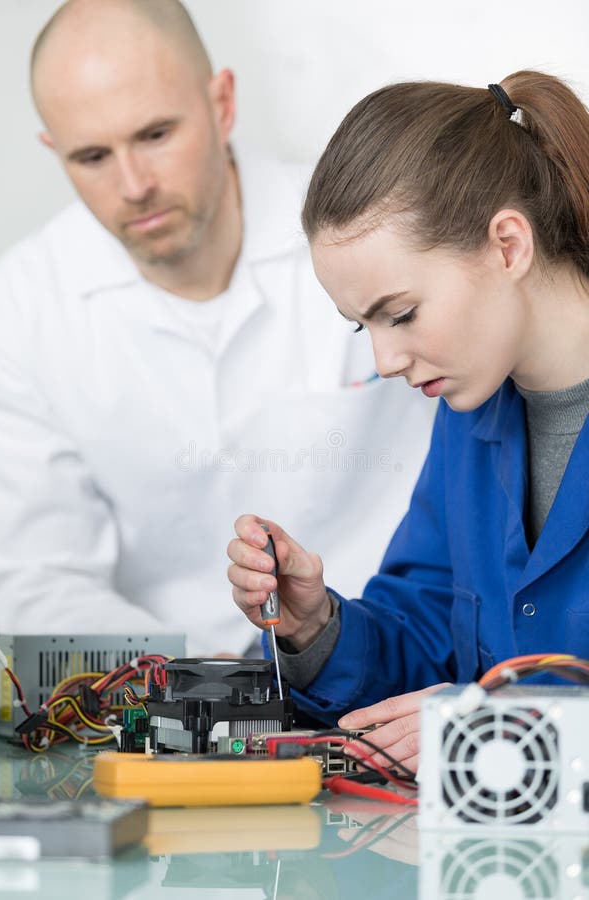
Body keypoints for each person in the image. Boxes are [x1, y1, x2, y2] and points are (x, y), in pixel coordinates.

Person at [0, 0, 433, 655]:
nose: (133, 185)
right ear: (55, 153)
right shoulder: (17, 310)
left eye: (155, 134)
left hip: (399, 656)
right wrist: (194, 677)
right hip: (160, 688)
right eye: (92, 156)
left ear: (222, 103)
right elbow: (38, 580)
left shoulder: (367, 235)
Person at [228, 70, 589, 768]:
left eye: (401, 314)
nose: (387, 360)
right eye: (362, 326)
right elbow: (431, 644)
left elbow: (490, 711)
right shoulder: (468, 417)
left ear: (508, 245)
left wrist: (516, 728)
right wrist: (316, 629)